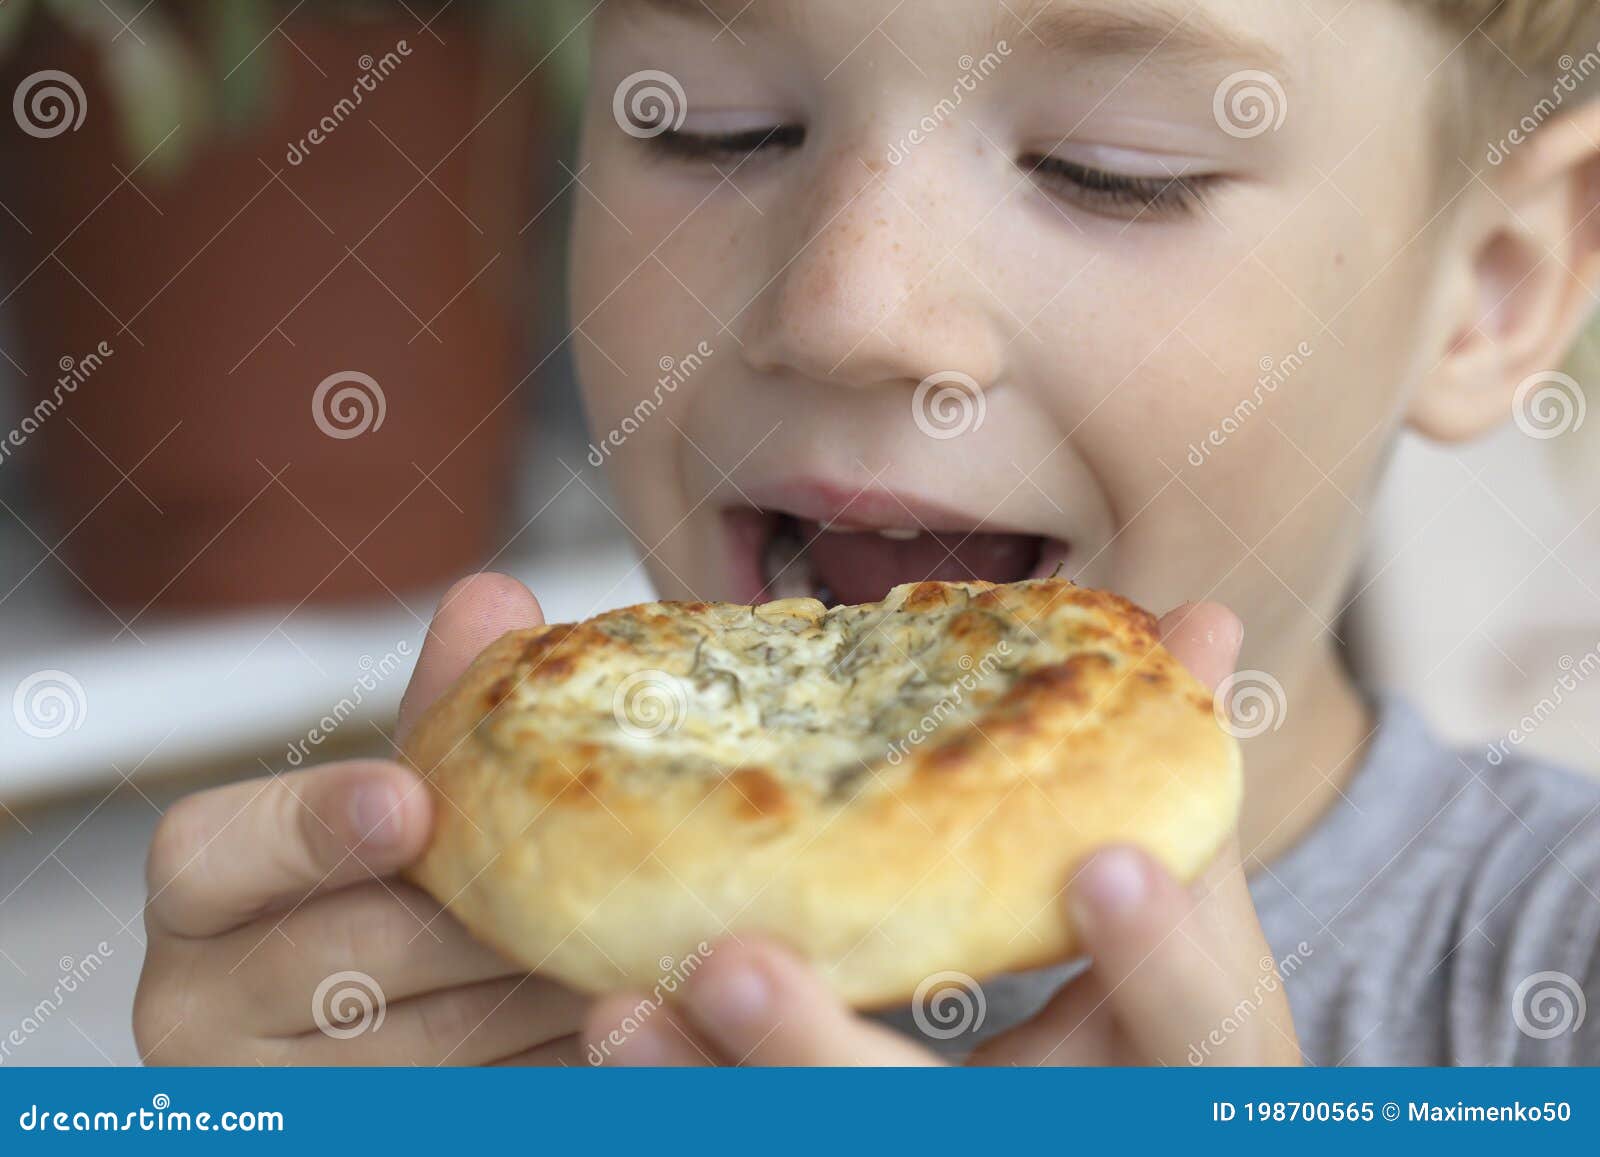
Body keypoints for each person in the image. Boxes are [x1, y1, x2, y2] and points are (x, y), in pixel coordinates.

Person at [134, 0, 1600, 1066]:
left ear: (1496, 285)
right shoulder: (433, 1007)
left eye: (1113, 165)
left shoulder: (1550, 987)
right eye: (713, 127)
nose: (848, 307)